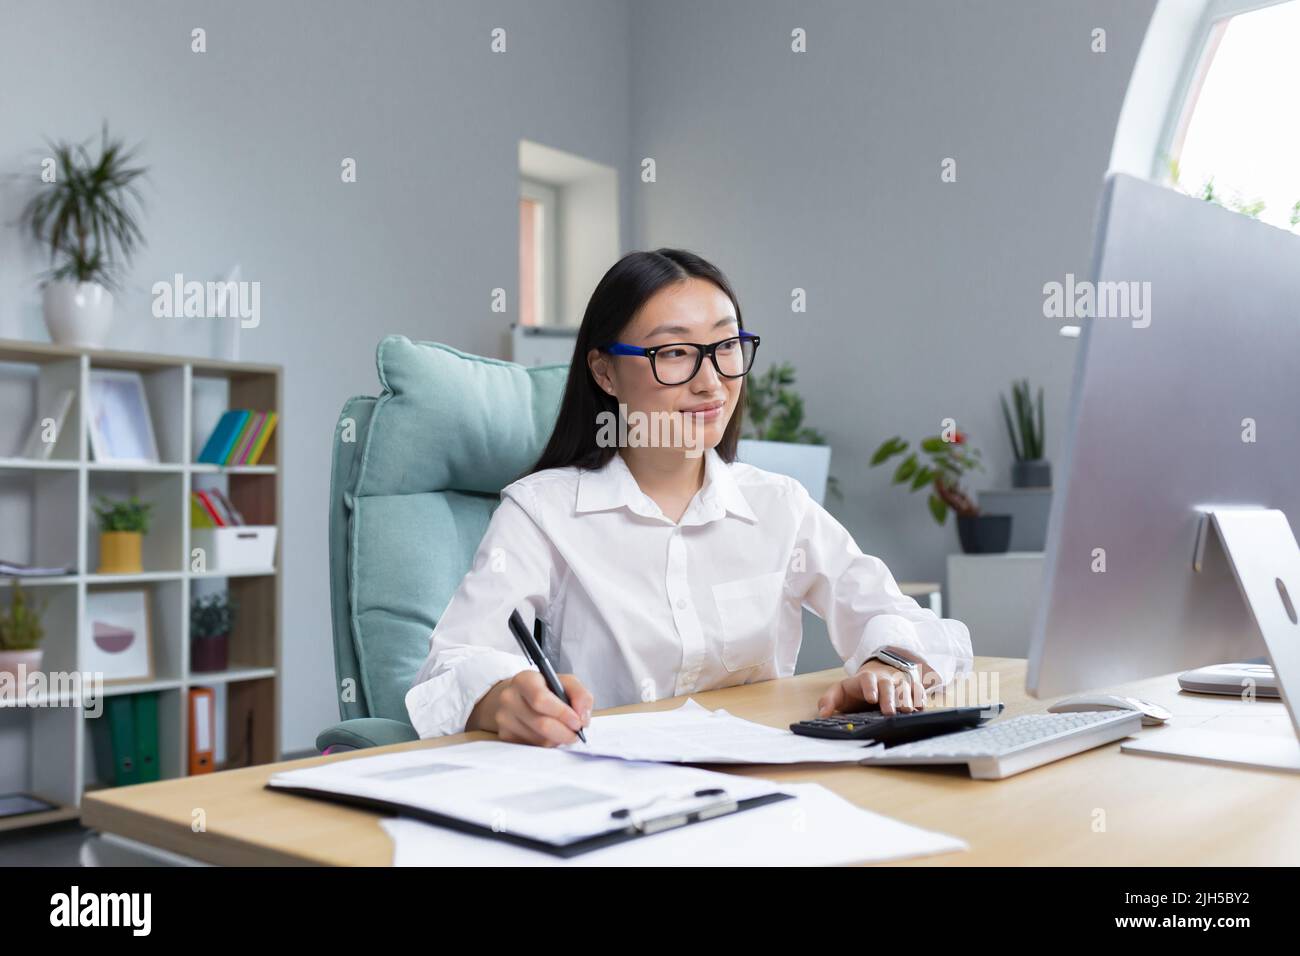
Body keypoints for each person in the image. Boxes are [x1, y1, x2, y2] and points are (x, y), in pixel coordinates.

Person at [406, 248, 973, 745]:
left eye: (726, 345)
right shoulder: (542, 514)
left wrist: (889, 663)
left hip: (766, 790)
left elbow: (909, 620)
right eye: (674, 353)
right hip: (612, 797)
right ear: (604, 372)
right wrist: (503, 698)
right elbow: (449, 668)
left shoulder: (778, 506)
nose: (712, 382)